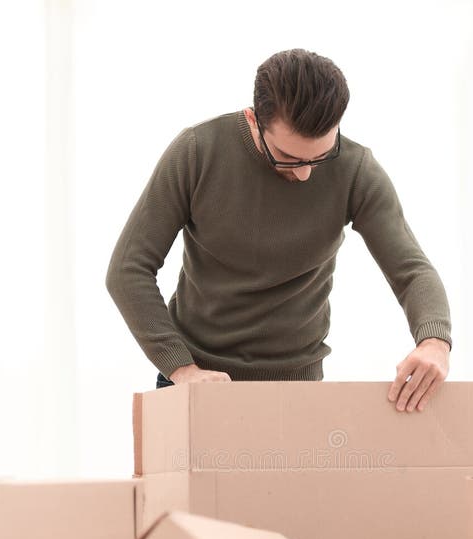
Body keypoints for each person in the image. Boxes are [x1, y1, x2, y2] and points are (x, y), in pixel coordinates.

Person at [106, 48, 452, 413]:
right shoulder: (197, 151)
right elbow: (128, 270)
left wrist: (434, 341)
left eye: (319, 157)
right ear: (253, 119)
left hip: (298, 390)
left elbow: (411, 270)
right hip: (194, 382)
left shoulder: (356, 170)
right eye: (287, 158)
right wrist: (181, 368)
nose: (304, 174)